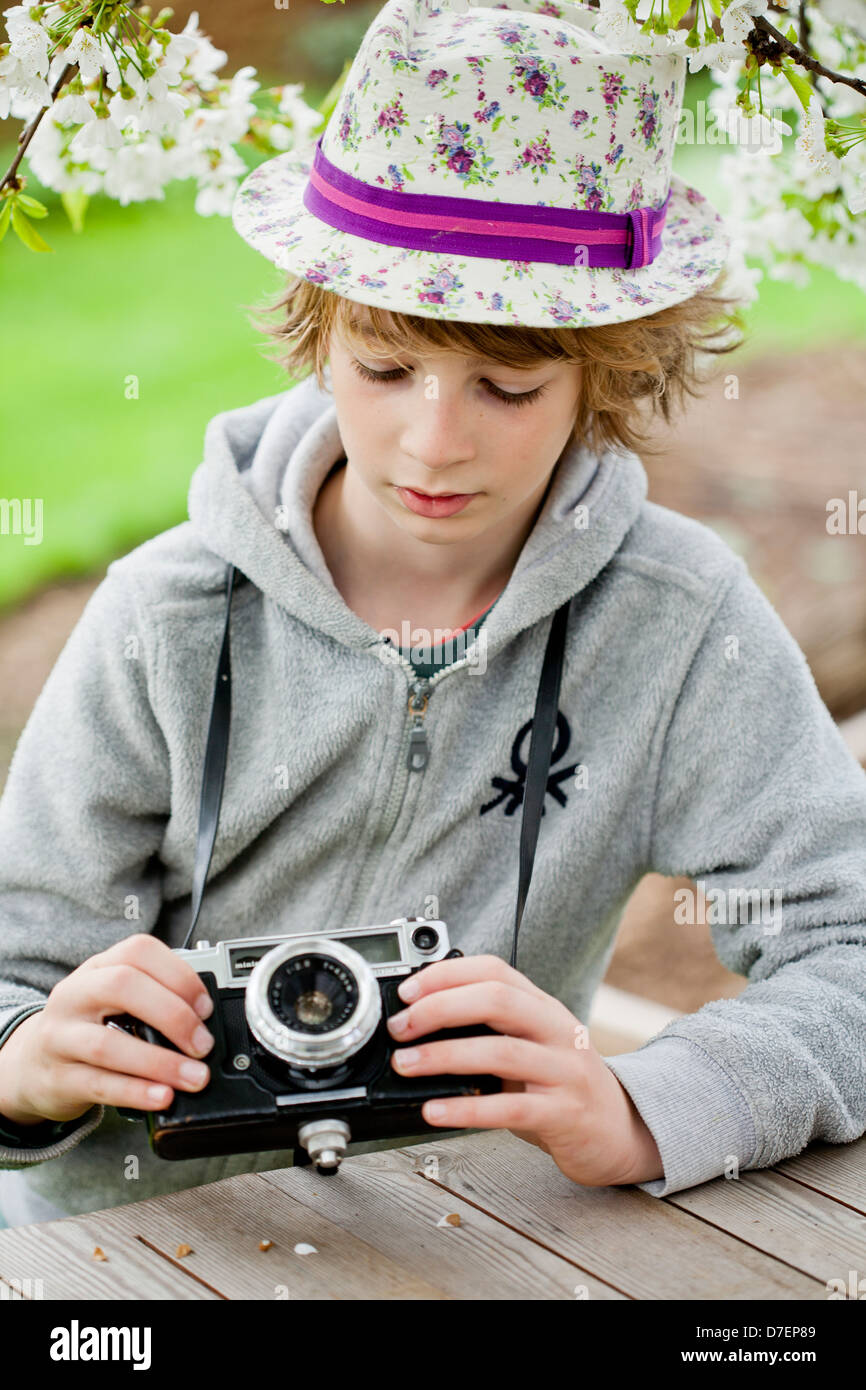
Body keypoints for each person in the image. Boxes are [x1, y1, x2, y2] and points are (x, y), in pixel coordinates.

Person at [2, 0, 866, 1230]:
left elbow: (850, 939)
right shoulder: (168, 613)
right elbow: (13, 956)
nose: (434, 443)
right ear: (316, 331)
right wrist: (23, 1066)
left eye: (508, 386)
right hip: (119, 1251)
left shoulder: (671, 622)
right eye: (385, 366)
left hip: (475, 1244)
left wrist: (643, 1106)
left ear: (605, 370)